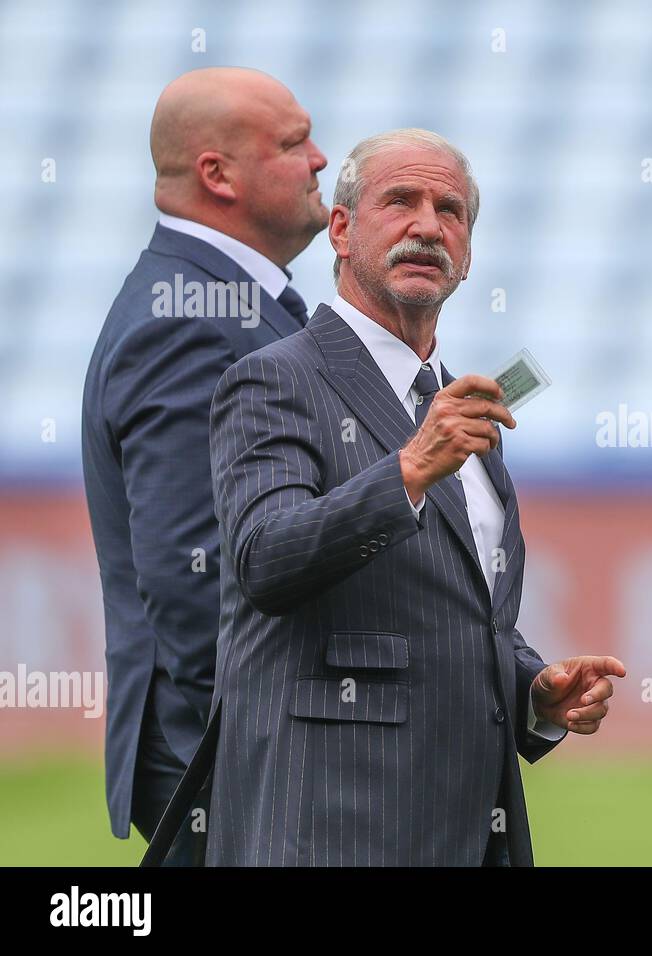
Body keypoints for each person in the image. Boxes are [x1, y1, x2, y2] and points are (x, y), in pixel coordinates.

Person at [199, 128, 625, 866]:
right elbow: (265, 561)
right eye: (400, 201)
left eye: (451, 211)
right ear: (340, 229)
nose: (428, 225)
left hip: (463, 828)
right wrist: (409, 468)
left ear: (467, 252)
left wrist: (534, 690)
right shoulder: (275, 379)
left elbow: (455, 611)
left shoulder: (458, 406)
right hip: (326, 828)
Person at [81, 67, 327, 864]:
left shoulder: (218, 300)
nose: (321, 160)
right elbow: (194, 574)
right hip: (225, 762)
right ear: (217, 175)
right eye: (293, 143)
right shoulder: (190, 318)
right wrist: (279, 748)